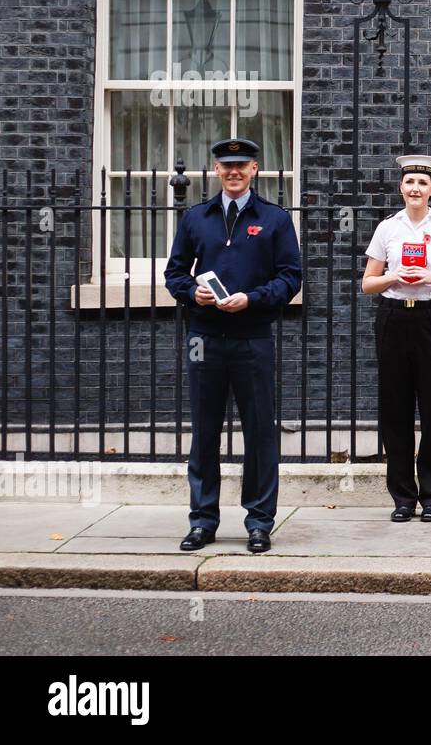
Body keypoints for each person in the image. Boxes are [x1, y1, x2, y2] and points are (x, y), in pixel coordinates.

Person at [164, 138, 302, 553]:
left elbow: (291, 277)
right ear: (216, 170)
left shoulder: (275, 219)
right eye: (226, 166)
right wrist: (192, 293)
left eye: (241, 165)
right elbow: (174, 274)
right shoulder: (196, 218)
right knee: (204, 432)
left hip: (253, 337)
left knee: (259, 432)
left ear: (255, 169)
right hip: (203, 338)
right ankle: (203, 520)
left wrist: (253, 299)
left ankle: (259, 522)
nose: (234, 172)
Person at [362, 154, 431, 522]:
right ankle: (403, 498)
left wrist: (430, 276)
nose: (415, 189)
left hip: (430, 318)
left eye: (423, 183)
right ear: (401, 187)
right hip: (393, 316)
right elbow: (367, 283)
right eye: (410, 182)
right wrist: (395, 276)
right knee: (395, 410)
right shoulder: (387, 228)